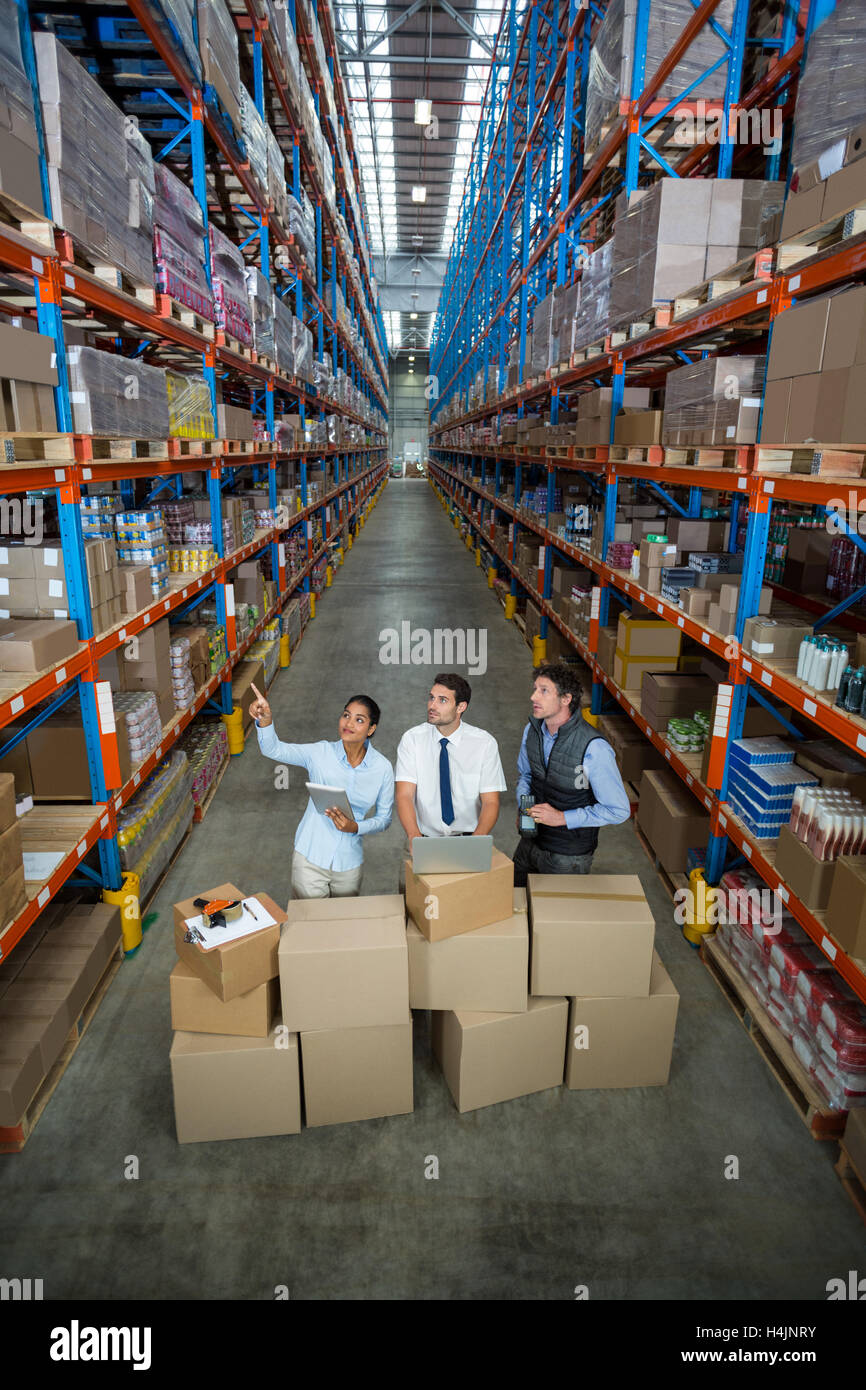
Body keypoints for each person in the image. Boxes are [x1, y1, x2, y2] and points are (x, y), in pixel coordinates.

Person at [249, 683, 394, 899]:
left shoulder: (382, 768)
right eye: (346, 715)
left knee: (342, 924)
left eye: (359, 720)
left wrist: (356, 826)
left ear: (371, 729)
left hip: (349, 864)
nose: (349, 723)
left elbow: (384, 819)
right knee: (310, 924)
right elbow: (274, 749)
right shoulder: (319, 753)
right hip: (310, 858)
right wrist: (266, 721)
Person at [513, 663, 630, 886]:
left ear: (566, 699)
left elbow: (619, 810)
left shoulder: (593, 747)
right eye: (535, 688)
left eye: (543, 691)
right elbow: (526, 775)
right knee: (512, 903)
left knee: (554, 917)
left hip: (568, 856)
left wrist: (562, 818)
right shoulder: (533, 730)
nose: (533, 696)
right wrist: (524, 805)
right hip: (530, 842)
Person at [395, 673, 506, 847]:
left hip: (470, 838)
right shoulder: (412, 739)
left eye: (442, 700)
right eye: (431, 698)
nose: (432, 705)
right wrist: (413, 836)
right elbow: (404, 795)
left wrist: (477, 841)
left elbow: (491, 802)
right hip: (423, 838)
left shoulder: (484, 743)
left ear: (461, 707)